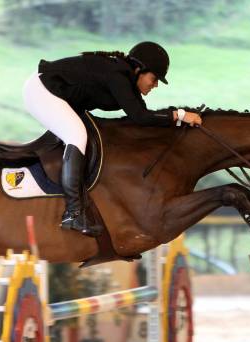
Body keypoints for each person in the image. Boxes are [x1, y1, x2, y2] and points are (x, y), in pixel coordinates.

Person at [23, 41, 202, 237]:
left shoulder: (125, 78)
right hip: (41, 91)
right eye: (154, 78)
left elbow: (143, 117)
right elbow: (140, 117)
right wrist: (181, 115)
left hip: (54, 93)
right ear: (139, 70)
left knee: (83, 132)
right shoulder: (118, 76)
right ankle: (73, 213)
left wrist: (178, 121)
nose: (155, 84)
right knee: (77, 135)